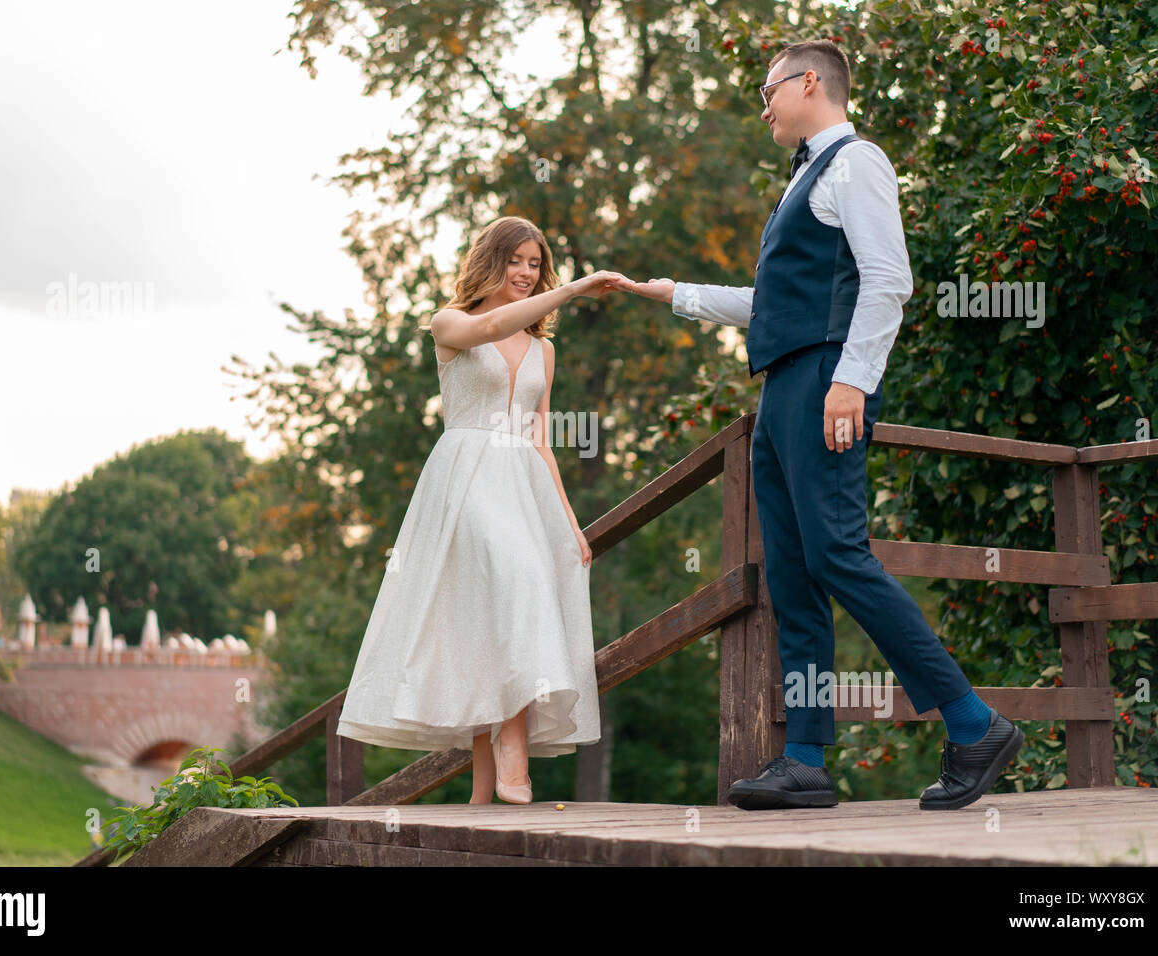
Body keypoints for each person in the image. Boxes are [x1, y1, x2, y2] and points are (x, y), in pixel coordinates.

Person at [618, 39, 1023, 811]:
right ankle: (804, 756)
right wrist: (673, 293)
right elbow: (776, 303)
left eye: (768, 91)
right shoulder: (803, 177)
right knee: (793, 577)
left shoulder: (856, 162)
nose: (762, 106)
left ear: (809, 83)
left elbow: (889, 281)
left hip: (823, 383)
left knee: (838, 555)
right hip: (782, 390)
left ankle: (974, 723)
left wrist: (850, 382)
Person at [335, 215, 626, 804]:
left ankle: (482, 791)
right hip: (465, 479)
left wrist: (570, 526)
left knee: (489, 618)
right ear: (491, 262)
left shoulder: (544, 351)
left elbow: (541, 440)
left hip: (523, 483)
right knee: (516, 582)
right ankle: (512, 755)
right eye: (517, 261)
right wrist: (570, 289)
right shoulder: (452, 323)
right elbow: (491, 323)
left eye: (536, 264)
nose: (527, 273)